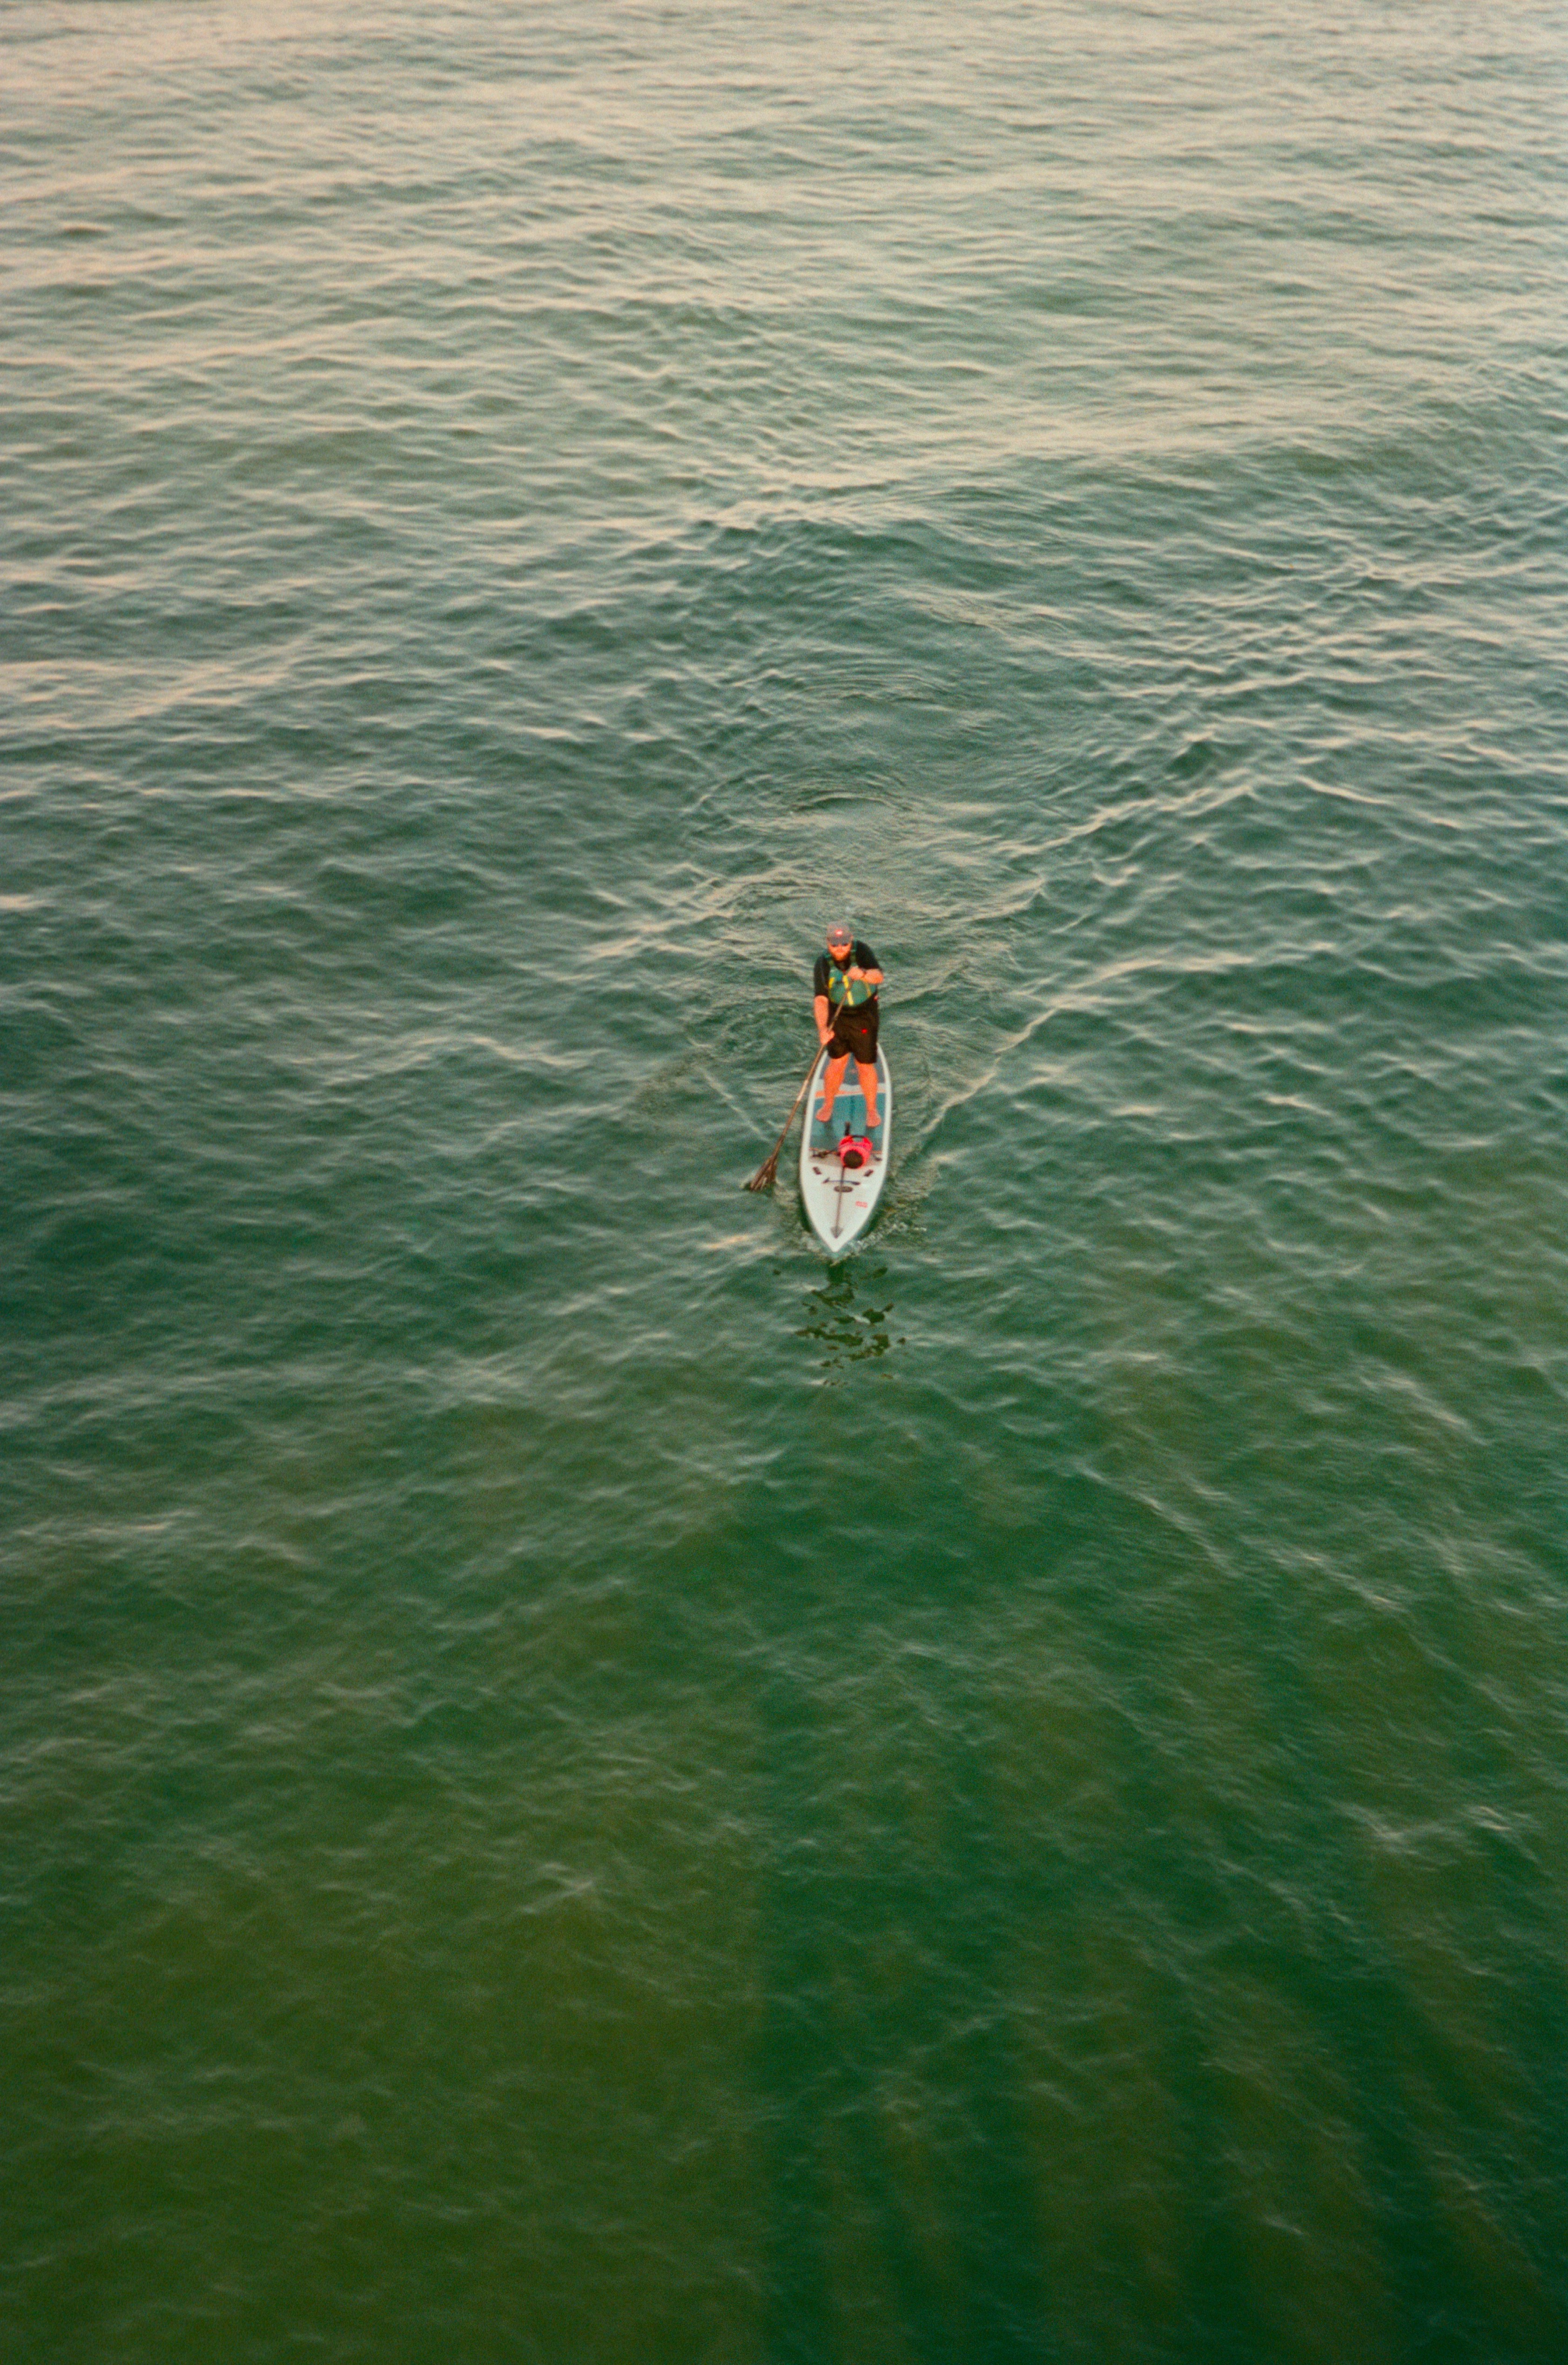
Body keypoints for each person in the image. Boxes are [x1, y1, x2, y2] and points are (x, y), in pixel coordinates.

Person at [813, 922, 885, 1134]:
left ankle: (871, 1110)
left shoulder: (862, 951)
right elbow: (821, 1000)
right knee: (837, 1062)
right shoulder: (822, 964)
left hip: (865, 1015)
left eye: (844, 943)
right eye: (835, 944)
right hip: (839, 1016)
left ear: (850, 940)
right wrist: (822, 1029)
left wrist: (862, 974)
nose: (840, 948)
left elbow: (879, 976)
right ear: (828, 944)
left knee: (865, 1065)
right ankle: (828, 1105)